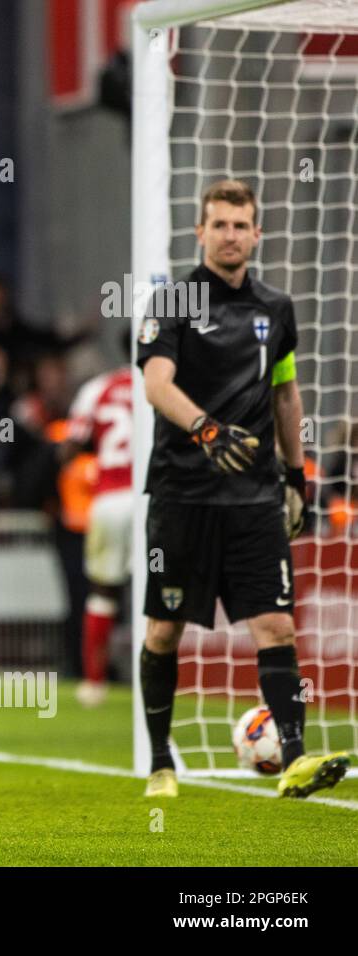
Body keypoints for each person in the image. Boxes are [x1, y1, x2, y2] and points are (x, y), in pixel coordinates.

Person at [136, 179, 349, 799]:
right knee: (163, 633)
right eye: (219, 224)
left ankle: (297, 762)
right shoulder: (171, 302)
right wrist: (205, 429)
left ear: (257, 234)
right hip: (183, 495)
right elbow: (156, 383)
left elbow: (285, 391)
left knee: (277, 629)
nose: (230, 235)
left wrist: (295, 473)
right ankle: (159, 764)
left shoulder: (275, 309)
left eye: (240, 225)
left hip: (254, 499)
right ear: (199, 231)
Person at [63, 360, 133, 707]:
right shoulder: (163, 379)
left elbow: (70, 445)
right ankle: (165, 678)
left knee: (103, 591)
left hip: (109, 501)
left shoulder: (97, 388)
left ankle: (94, 684)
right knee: (159, 588)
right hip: (151, 498)